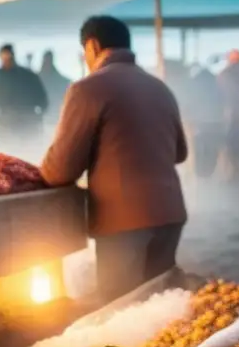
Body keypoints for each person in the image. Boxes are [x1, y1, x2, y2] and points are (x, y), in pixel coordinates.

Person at [40, 16, 188, 301]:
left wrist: (38, 172)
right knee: (159, 305)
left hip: (123, 220)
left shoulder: (87, 88)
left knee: (120, 307)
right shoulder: (159, 87)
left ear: (93, 46)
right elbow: (180, 153)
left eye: (84, 51)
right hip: (169, 213)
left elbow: (60, 170)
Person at [0, 44, 48, 154]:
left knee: (26, 157)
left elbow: (43, 100)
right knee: (4, 162)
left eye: (8, 56)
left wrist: (36, 116)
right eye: (4, 56)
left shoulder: (28, 76)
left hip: (26, 126)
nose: (6, 59)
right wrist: (0, 116)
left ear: (13, 56)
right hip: (5, 127)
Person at [217, 49, 239, 181]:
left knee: (233, 147)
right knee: (231, 147)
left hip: (235, 118)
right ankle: (231, 174)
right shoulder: (229, 76)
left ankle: (233, 174)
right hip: (233, 118)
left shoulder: (227, 75)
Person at [38, 50, 71, 125]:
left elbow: (64, 83)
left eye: (49, 59)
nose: (47, 62)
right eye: (46, 59)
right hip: (43, 112)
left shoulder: (58, 78)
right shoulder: (39, 77)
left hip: (54, 112)